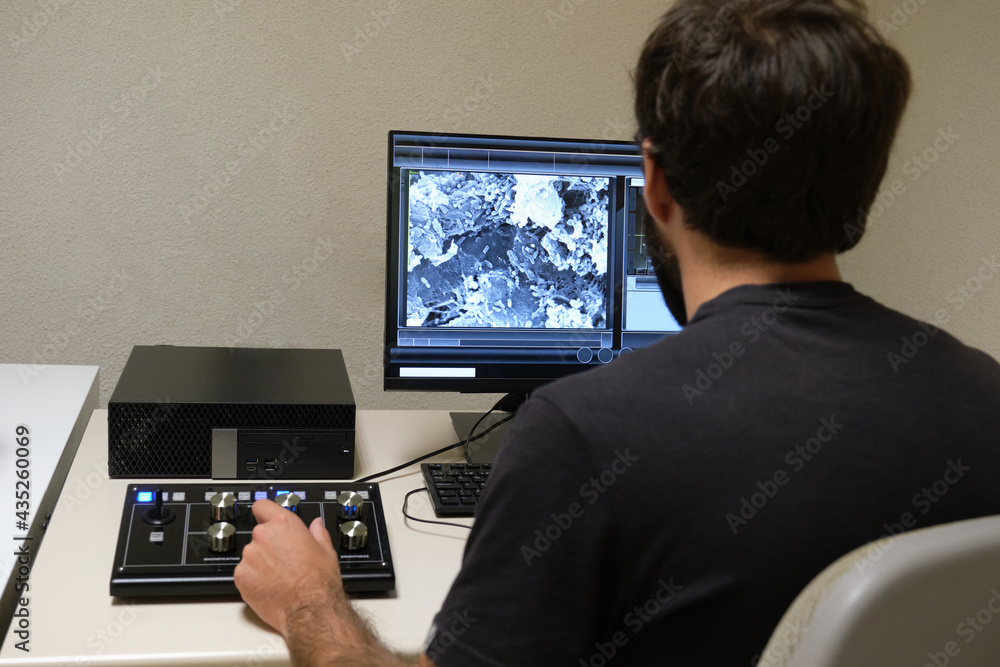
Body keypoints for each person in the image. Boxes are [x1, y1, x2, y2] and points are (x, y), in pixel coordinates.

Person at [234, 0, 1000, 664]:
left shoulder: (583, 432)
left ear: (655, 182)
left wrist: (310, 601)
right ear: (864, 188)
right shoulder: (983, 395)